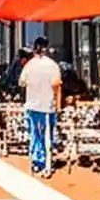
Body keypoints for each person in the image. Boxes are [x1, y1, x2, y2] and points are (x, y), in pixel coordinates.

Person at [19, 36, 62, 176]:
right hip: (47, 106)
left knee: (34, 134)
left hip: (32, 105)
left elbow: (22, 82)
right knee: (47, 136)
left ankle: (37, 162)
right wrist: (58, 106)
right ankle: (46, 164)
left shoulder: (29, 65)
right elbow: (57, 85)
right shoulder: (52, 65)